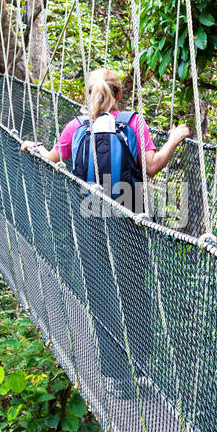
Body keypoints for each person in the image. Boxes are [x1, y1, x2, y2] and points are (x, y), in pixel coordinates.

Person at [23, 68, 190, 400]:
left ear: (89, 93)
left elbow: (52, 159)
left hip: (88, 221)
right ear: (120, 94)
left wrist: (34, 149)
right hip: (130, 217)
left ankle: (115, 376)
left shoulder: (76, 127)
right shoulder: (131, 123)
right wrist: (173, 138)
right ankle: (139, 365)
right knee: (133, 289)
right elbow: (152, 166)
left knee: (101, 293)